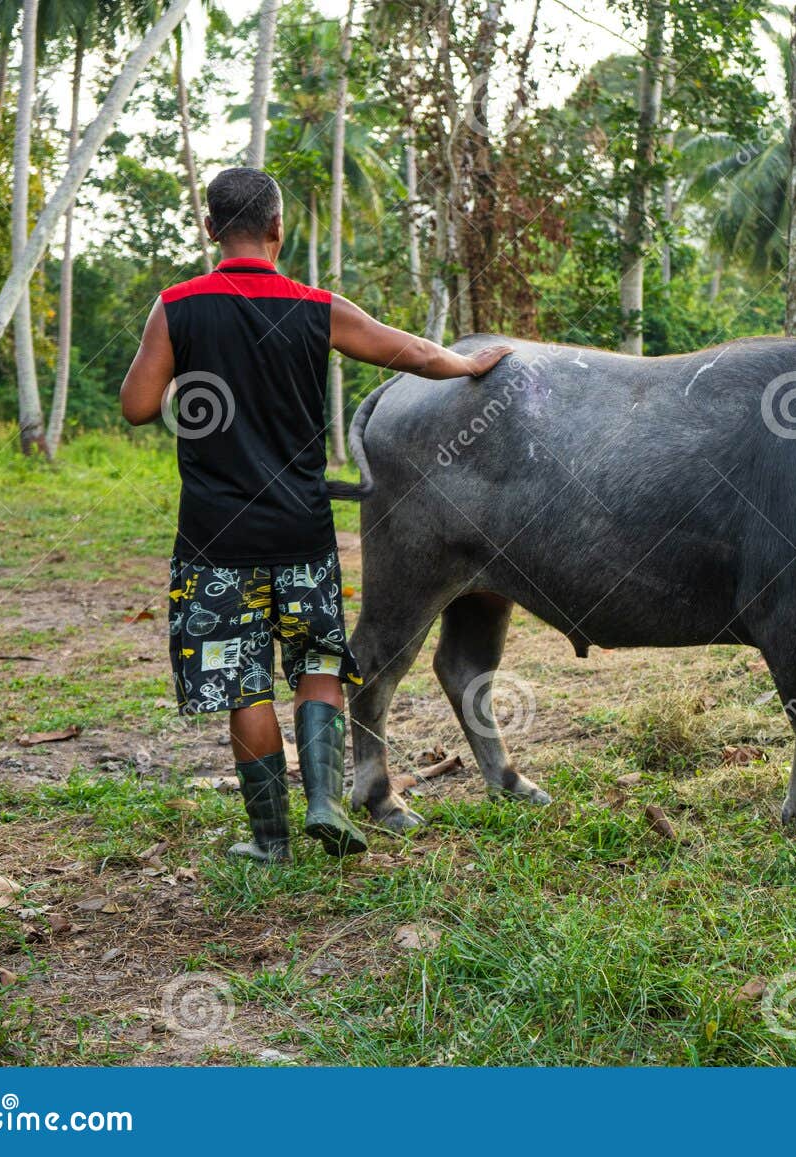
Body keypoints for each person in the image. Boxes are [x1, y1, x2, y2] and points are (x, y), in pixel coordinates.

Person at [119, 166, 511, 862]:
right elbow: (413, 353)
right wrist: (469, 365)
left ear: (210, 229)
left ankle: (270, 840)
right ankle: (326, 800)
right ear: (278, 227)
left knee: (245, 686)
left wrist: (188, 368)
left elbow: (137, 406)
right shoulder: (316, 307)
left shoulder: (177, 306)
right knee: (318, 664)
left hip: (214, 541)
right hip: (301, 529)